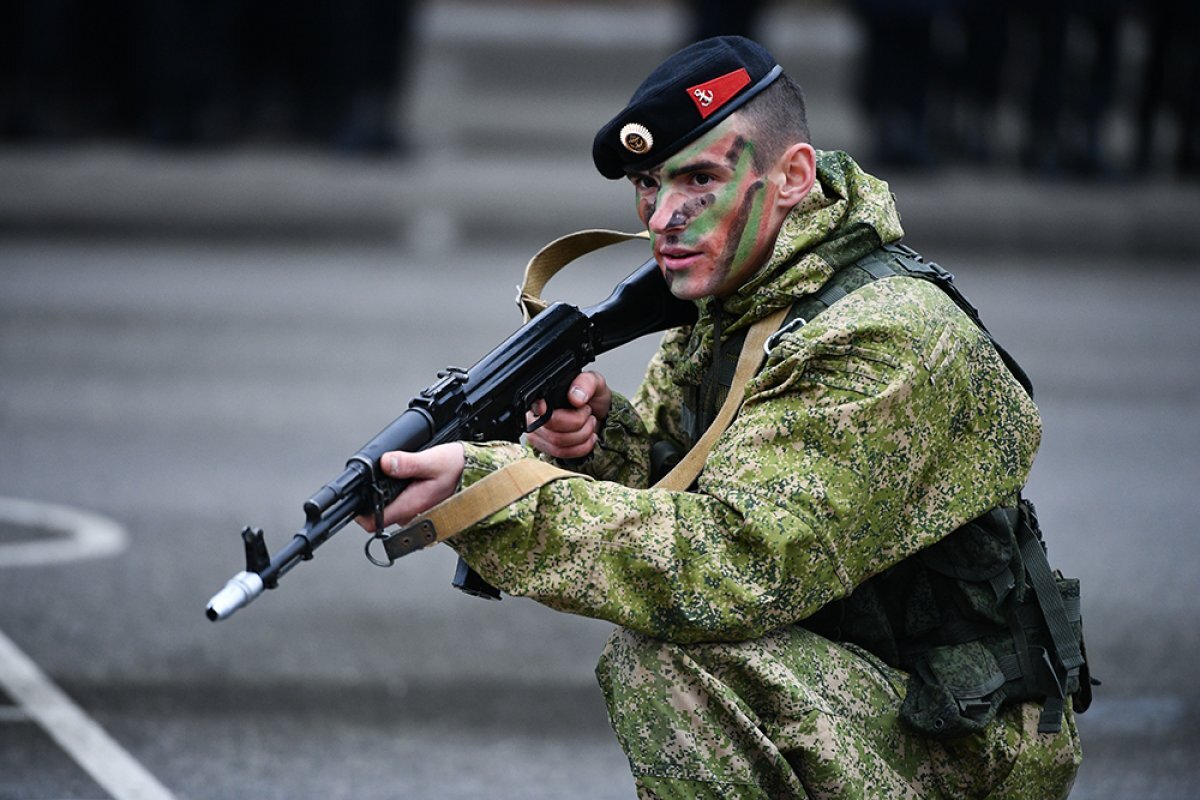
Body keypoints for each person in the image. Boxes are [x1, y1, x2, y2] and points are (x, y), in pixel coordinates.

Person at [359, 37, 1089, 799]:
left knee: (669, 664)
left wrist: (493, 492)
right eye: (648, 182)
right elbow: (689, 486)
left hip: (964, 737)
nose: (663, 215)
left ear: (794, 177)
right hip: (863, 673)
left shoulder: (882, 334)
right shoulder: (742, 293)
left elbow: (737, 564)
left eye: (700, 178)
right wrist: (599, 442)